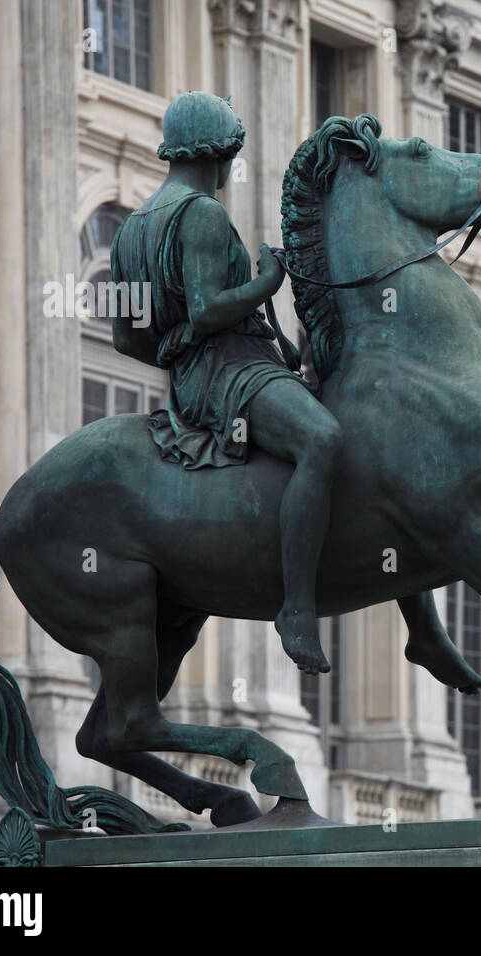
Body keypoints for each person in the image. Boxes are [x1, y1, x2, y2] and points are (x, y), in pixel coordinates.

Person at [110, 91, 336, 675]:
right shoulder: (202, 212)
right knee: (323, 440)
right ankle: (298, 606)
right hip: (234, 372)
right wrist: (268, 279)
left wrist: (175, 346)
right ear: (220, 152)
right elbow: (210, 310)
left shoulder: (130, 229)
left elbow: (125, 340)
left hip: (190, 382)